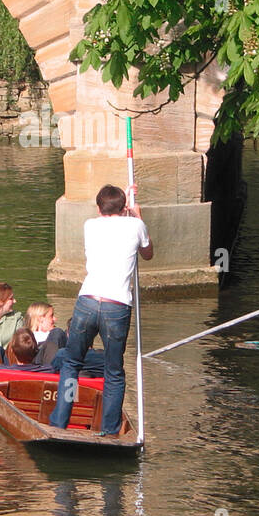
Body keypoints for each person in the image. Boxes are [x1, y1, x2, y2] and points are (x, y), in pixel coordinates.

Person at [49, 184, 153, 436]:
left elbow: (111, 218)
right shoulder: (136, 225)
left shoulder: (90, 225)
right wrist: (137, 214)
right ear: (124, 208)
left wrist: (124, 203)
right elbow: (148, 254)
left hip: (87, 301)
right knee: (113, 371)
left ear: (98, 208)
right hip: (116, 306)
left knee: (71, 364)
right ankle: (109, 430)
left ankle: (60, 422)